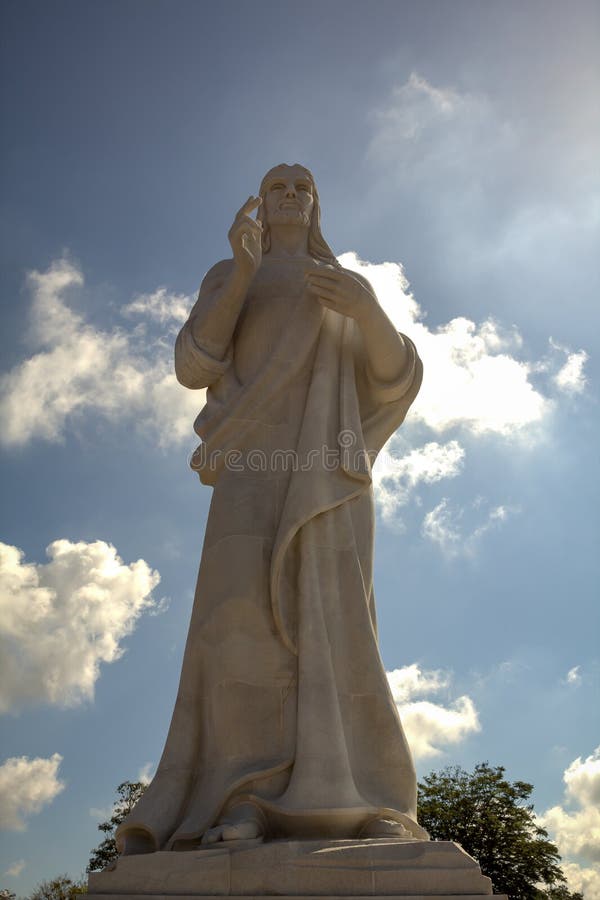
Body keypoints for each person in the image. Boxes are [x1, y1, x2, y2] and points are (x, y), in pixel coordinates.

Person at [117, 164, 426, 854]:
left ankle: (369, 799)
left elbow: (394, 379)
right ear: (261, 204)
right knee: (241, 633)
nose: (289, 193)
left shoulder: (344, 284)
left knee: (337, 624)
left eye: (302, 187)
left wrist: (367, 311)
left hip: (329, 473)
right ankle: (242, 799)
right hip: (250, 470)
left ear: (316, 206)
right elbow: (195, 365)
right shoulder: (231, 275)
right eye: (277, 185)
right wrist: (242, 272)